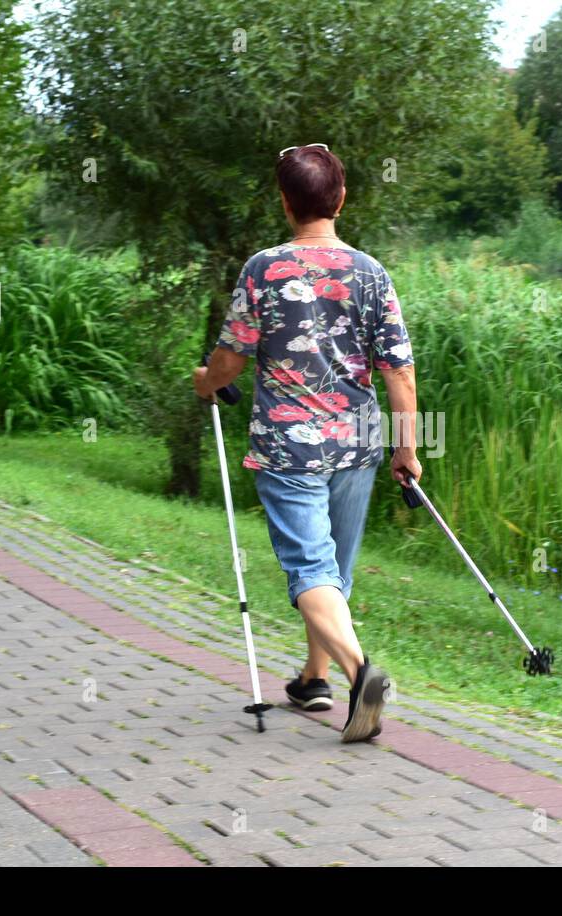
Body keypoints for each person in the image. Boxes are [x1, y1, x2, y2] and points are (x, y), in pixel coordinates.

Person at [194, 143, 421, 743]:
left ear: (285, 201)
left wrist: (205, 383)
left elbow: (229, 359)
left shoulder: (263, 269)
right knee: (333, 571)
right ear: (340, 199)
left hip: (290, 444)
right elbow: (398, 371)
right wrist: (406, 449)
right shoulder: (372, 273)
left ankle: (358, 672)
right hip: (356, 441)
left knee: (310, 569)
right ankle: (311, 680)